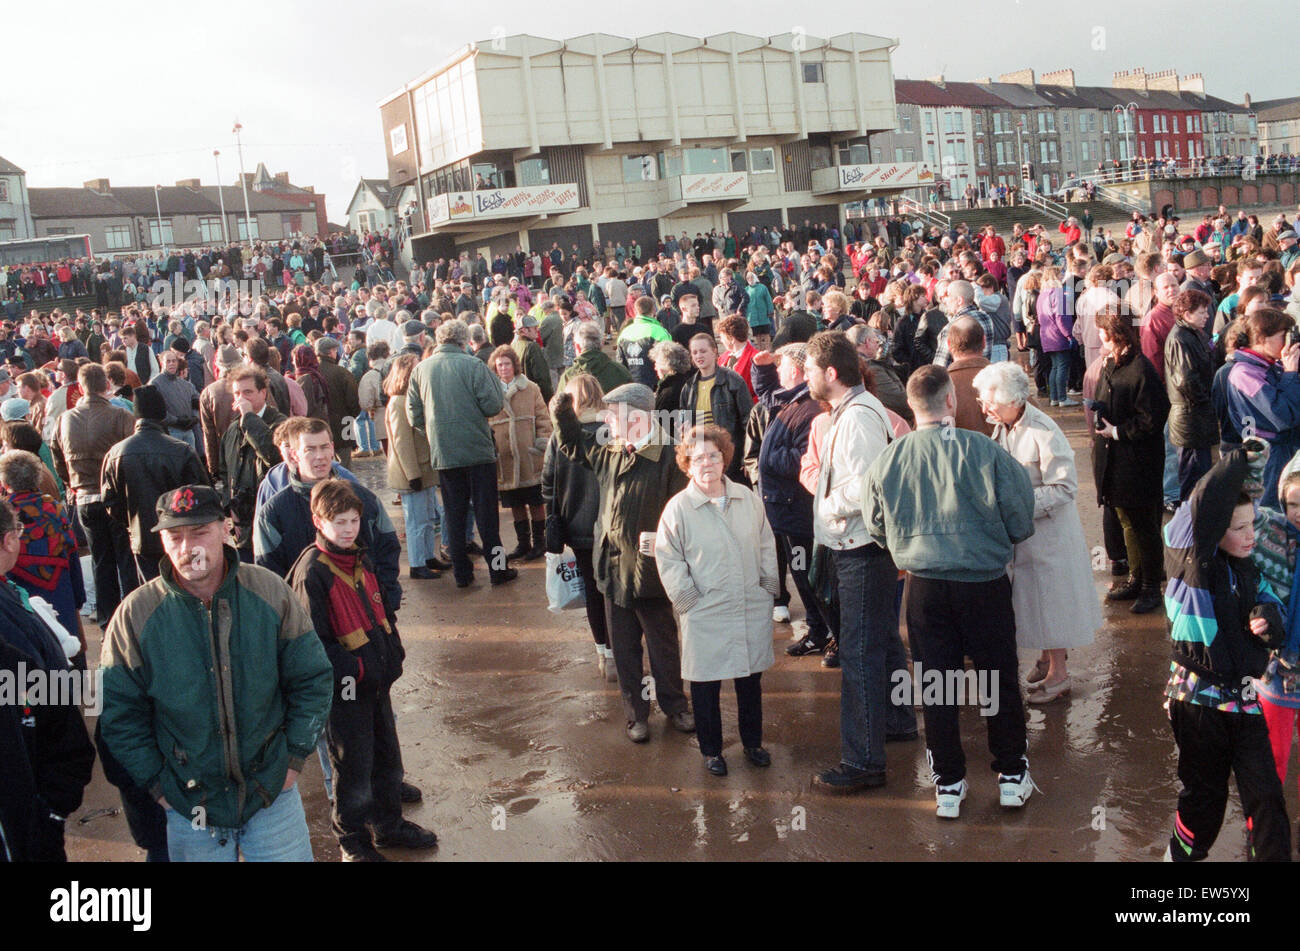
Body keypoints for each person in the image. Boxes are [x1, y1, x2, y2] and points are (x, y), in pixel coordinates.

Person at [99, 485, 334, 862]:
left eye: (200, 532)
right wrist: (158, 785)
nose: (187, 546)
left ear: (226, 530)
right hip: (188, 806)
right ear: (161, 540)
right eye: (174, 536)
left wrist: (292, 758)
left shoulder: (270, 592)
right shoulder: (136, 615)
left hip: (272, 795)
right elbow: (119, 713)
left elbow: (313, 677)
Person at [863, 365, 1036, 819]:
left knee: (937, 685)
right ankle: (1012, 774)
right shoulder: (986, 450)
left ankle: (949, 784)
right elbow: (1020, 517)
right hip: (983, 583)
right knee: (997, 678)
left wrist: (905, 547)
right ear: (952, 402)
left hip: (924, 586)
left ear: (911, 406)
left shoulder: (889, 458)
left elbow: (874, 523)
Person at [287, 479, 438, 862]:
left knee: (387, 757)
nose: (348, 529)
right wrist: (353, 669)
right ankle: (352, 840)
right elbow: (313, 644)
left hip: (376, 682)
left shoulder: (359, 557)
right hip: (346, 690)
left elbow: (381, 610)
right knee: (353, 766)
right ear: (319, 522)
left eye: (353, 520)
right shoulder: (313, 573)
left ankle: (388, 826)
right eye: (339, 522)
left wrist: (394, 652)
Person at [1161, 450, 1291, 862]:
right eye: (1238, 528)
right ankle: (1180, 857)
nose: (1251, 535)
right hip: (1197, 701)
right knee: (1205, 800)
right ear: (1214, 530)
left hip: (1245, 699)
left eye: (1253, 523)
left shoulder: (1250, 570)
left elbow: (1276, 614)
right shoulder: (1190, 563)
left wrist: (1268, 620)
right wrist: (1236, 460)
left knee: (1267, 797)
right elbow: (1201, 502)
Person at [550, 382, 695, 743]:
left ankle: (675, 705)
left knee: (663, 645)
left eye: (612, 415)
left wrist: (666, 545)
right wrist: (561, 410)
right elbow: (571, 445)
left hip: (651, 571)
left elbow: (684, 515)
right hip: (612, 570)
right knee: (625, 649)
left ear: (637, 416)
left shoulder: (668, 456)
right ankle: (636, 715)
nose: (606, 422)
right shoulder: (608, 449)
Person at [804, 331, 916, 792]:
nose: (807, 378)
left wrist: (827, 507)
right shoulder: (853, 412)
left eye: (810, 369)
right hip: (862, 548)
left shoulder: (857, 418)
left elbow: (871, 483)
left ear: (830, 373)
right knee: (883, 643)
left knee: (859, 654)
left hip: (861, 550)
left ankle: (863, 760)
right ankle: (896, 721)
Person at [973, 362, 1100, 702]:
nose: (984, 408)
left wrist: (1016, 504)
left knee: (1051, 601)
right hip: (1025, 534)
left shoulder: (1043, 430)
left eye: (991, 402)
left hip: (1050, 535)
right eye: (983, 400)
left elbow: (1064, 487)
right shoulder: (1005, 423)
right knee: (1034, 600)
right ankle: (1047, 658)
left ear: (1015, 400)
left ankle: (1059, 674)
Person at [655, 424, 777, 777]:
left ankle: (753, 743)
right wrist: (687, 598)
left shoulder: (748, 500)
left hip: (747, 604)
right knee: (705, 683)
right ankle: (712, 751)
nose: (706, 463)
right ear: (687, 465)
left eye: (713, 455)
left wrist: (767, 587)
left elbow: (767, 544)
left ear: (725, 459)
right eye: (697, 458)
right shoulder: (678, 509)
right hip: (704, 609)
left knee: (749, 679)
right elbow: (668, 557)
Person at [406, 319, 517, 588]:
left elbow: (414, 414)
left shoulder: (421, 369)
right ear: (463, 340)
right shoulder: (474, 365)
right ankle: (498, 570)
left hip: (445, 453)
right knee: (487, 517)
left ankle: (462, 574)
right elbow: (492, 404)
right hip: (478, 451)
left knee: (454, 516)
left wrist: (434, 432)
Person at [255, 417, 402, 613]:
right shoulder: (274, 513)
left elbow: (388, 550)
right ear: (294, 454)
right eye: (310, 449)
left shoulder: (365, 500)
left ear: (333, 448)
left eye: (324, 447)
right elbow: (268, 573)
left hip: (366, 615)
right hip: (308, 621)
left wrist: (386, 601)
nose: (320, 456)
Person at [1093, 310, 1171, 614]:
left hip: (1137, 461)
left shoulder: (1141, 368)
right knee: (1127, 521)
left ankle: (1152, 585)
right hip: (1116, 460)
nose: (1099, 336)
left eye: (1103, 331)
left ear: (1118, 334)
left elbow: (1153, 416)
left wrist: (1119, 431)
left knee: (1144, 525)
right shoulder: (1111, 363)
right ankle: (1137, 577)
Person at [542, 373, 615, 680]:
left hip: (578, 525)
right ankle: (622, 647)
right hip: (611, 523)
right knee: (615, 590)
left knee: (593, 592)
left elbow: (548, 483)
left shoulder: (560, 437)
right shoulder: (612, 432)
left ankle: (605, 654)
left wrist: (554, 518)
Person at [100, 384, 210, 585]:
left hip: (143, 539)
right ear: (161, 414)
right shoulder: (182, 451)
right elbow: (202, 497)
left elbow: (110, 502)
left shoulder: (116, 454)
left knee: (155, 596)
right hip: (184, 537)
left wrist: (131, 522)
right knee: (194, 590)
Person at [52, 363, 135, 625]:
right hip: (117, 497)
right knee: (126, 559)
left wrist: (72, 484)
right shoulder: (121, 417)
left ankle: (107, 620)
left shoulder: (64, 420)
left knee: (101, 561)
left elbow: (58, 460)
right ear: (106, 385)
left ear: (79, 387)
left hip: (85, 497)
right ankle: (133, 617)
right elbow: (131, 457)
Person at [0, 450, 86, 661]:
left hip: (18, 597)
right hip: (60, 593)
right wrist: (78, 599)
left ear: (4, 481)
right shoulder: (55, 510)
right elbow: (72, 556)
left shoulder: (6, 514)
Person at [1223, 308, 1300, 510]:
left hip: (1283, 447)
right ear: (1262, 338)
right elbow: (1283, 416)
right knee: (1271, 510)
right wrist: (1290, 374)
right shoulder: (1244, 374)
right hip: (1268, 454)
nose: (1287, 342)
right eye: (1283, 336)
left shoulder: (1269, 365)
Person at [384, 354, 447, 579]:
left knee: (428, 518)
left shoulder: (409, 399)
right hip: (414, 470)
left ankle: (428, 556)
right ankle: (417, 562)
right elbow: (402, 442)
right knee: (417, 521)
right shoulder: (398, 402)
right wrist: (412, 474)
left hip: (423, 468)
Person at [489, 345, 552, 562]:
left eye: (507, 364)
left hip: (529, 454)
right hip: (505, 456)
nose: (504, 368)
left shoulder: (530, 388)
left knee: (535, 500)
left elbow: (543, 417)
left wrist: (541, 442)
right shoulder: (490, 391)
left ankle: (540, 542)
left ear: (514, 365)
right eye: (500, 365)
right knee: (515, 503)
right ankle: (523, 543)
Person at [218, 366, 286, 562]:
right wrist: (228, 507)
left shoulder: (279, 423)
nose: (241, 398)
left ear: (263, 393)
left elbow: (274, 456)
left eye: (248, 392)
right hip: (242, 525)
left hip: (271, 519)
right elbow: (223, 473)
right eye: (237, 393)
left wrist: (249, 418)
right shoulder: (232, 430)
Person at [1164, 289, 1218, 502]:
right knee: (1193, 476)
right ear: (1186, 314)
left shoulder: (1193, 334)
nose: (1207, 316)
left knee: (1199, 474)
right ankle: (1189, 525)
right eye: (1202, 312)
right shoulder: (1180, 338)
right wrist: (1207, 399)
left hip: (1196, 415)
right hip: (1190, 418)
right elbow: (1186, 380)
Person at [680, 333, 752, 485]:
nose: (699, 355)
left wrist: (747, 457)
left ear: (714, 351)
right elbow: (686, 429)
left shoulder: (733, 381)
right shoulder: (689, 387)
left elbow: (749, 423)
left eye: (703, 351)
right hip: (703, 460)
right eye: (695, 352)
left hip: (731, 459)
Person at [315, 336, 361, 469]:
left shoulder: (311, 373)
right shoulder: (342, 372)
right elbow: (353, 400)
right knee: (345, 463)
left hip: (321, 424)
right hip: (344, 421)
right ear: (330, 352)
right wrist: (353, 415)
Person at [558, 321, 632, 394]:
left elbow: (559, 404)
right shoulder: (620, 371)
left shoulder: (568, 377)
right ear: (601, 343)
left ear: (577, 346)